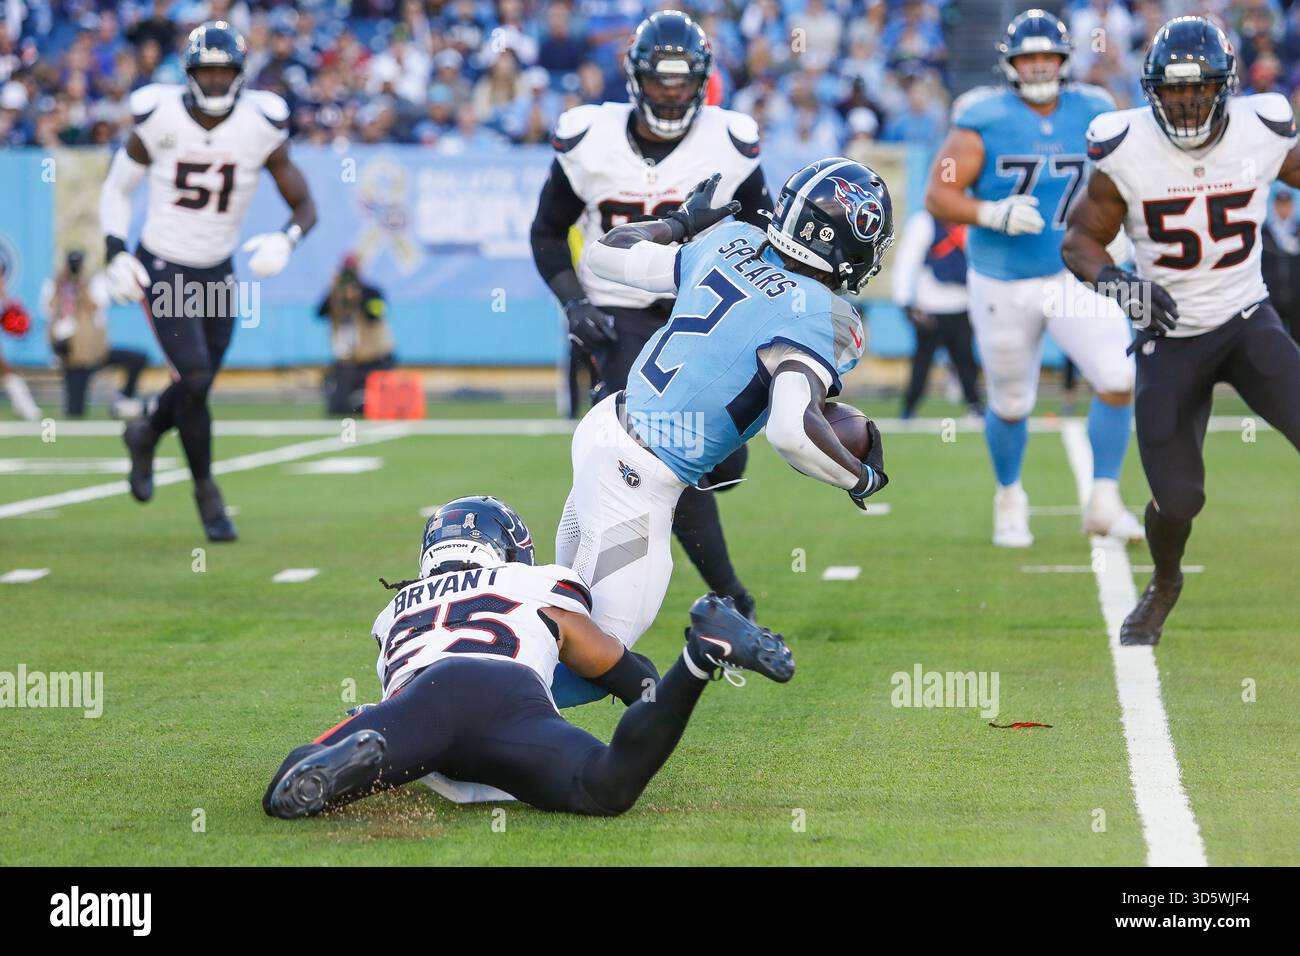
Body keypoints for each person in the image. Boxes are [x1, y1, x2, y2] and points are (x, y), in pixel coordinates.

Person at [554, 159, 893, 701]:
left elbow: (603, 254)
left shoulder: (731, 240)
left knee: (563, 611)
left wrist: (678, 223)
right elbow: (791, 432)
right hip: (638, 478)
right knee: (600, 655)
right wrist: (860, 479)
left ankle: (465, 680)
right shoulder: (826, 316)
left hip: (604, 429)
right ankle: (467, 722)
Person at [263, 496, 794, 818]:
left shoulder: (394, 610)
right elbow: (634, 679)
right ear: (508, 548)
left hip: (423, 698)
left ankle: (365, 752)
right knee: (605, 787)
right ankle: (702, 655)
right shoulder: (535, 582)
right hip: (508, 698)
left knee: (286, 782)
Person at [530, 11, 773, 663]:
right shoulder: (589, 138)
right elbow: (547, 234)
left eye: (682, 81)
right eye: (659, 81)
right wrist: (574, 304)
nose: (670, 93)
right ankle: (722, 598)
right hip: (619, 317)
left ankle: (576, 585)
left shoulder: (730, 141)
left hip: (700, 316)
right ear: (635, 79)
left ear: (701, 81)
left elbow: (767, 237)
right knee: (656, 457)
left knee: (721, 462)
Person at [1062, 16, 1300, 645]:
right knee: (1179, 500)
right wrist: (1121, 285)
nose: (1187, 103)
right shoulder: (1126, 148)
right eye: (1172, 91)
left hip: (1247, 320)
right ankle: (1166, 580)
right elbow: (1081, 241)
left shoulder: (1263, 127)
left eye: (1199, 90)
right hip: (1169, 338)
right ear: (1150, 91)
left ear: (1227, 87)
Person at [924, 9, 1143, 548]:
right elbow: (939, 193)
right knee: (1011, 401)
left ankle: (1104, 499)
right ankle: (1009, 496)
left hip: (1074, 274)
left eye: (1048, 55)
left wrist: (1122, 232)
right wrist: (989, 214)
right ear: (1011, 62)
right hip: (1003, 279)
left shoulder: (1096, 108)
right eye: (1029, 56)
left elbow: (1127, 176)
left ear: (1065, 60)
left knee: (1118, 378)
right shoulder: (984, 116)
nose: (1040, 64)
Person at [99, 21, 317, 541]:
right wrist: (114, 250)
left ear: (240, 74)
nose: (216, 82)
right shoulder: (160, 114)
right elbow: (116, 188)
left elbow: (305, 204)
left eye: (225, 72)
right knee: (194, 380)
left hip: (218, 267)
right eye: (207, 71)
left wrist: (285, 239)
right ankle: (207, 494)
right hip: (164, 262)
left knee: (197, 385)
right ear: (190, 73)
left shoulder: (262, 124)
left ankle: (146, 432)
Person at [890, 210, 981, 418]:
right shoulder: (923, 222)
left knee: (966, 361)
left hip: (962, 305)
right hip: (929, 307)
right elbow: (907, 261)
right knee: (922, 363)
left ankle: (975, 405)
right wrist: (905, 302)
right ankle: (909, 408)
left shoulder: (967, 219)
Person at [41, 249, 147, 418]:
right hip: (72, 358)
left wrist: (81, 286)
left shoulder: (94, 283)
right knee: (74, 412)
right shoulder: (55, 284)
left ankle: (123, 400)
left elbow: (95, 307)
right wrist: (61, 286)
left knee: (138, 359)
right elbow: (49, 310)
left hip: (95, 352)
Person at [315, 253, 394, 415]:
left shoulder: (372, 293)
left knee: (375, 408)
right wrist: (334, 292)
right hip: (348, 363)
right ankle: (355, 400)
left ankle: (362, 400)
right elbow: (319, 313)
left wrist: (359, 297)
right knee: (337, 408)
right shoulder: (335, 296)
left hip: (375, 360)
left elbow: (375, 316)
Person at [1260, 188, 1300, 339]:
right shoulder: (1264, 233)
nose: (1284, 209)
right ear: (1275, 206)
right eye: (1280, 205)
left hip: (1297, 298)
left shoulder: (1298, 231)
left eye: (1287, 204)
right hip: (1272, 298)